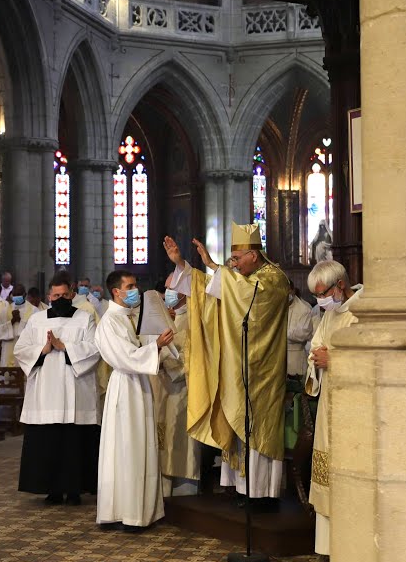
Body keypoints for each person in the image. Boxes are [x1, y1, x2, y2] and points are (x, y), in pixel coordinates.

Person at [164, 223, 292, 506]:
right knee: (237, 423)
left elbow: (243, 294)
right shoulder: (242, 279)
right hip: (238, 364)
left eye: (237, 258)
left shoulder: (273, 279)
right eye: (232, 260)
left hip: (262, 370)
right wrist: (182, 265)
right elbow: (210, 294)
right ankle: (243, 489)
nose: (233, 264)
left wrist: (212, 264)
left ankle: (263, 494)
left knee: (258, 428)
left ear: (254, 256)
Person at [95, 270, 175, 532]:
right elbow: (125, 356)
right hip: (125, 388)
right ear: (116, 291)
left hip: (138, 385)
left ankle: (143, 510)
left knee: (141, 446)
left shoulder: (129, 316)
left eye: (135, 285)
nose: (135, 290)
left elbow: (143, 344)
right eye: (129, 286)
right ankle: (127, 513)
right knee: (127, 448)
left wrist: (160, 337)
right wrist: (156, 348)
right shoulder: (109, 321)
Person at [14, 275, 101, 506]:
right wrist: (43, 349)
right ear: (49, 297)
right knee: (48, 443)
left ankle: (75, 490)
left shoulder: (85, 318)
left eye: (64, 295)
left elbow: (95, 349)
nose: (60, 299)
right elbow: (20, 349)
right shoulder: (36, 320)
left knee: (74, 444)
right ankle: (50, 489)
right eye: (55, 296)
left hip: (76, 392)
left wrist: (66, 347)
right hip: (46, 393)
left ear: (72, 294)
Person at [304, 260, 363, 558]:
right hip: (329, 402)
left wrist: (335, 361)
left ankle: (351, 547)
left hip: (355, 411)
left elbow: (372, 361)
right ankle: (328, 547)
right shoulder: (331, 314)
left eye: (322, 293)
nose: (319, 301)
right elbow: (316, 346)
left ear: (340, 285)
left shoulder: (363, 311)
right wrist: (316, 359)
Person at [151, 286, 199, 497]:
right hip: (160, 387)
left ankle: (184, 497)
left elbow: (193, 357)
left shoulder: (194, 318)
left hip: (181, 389)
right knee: (162, 440)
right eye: (167, 288)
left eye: (173, 288)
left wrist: (163, 364)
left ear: (184, 292)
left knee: (179, 442)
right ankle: (162, 495)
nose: (168, 291)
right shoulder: (164, 316)